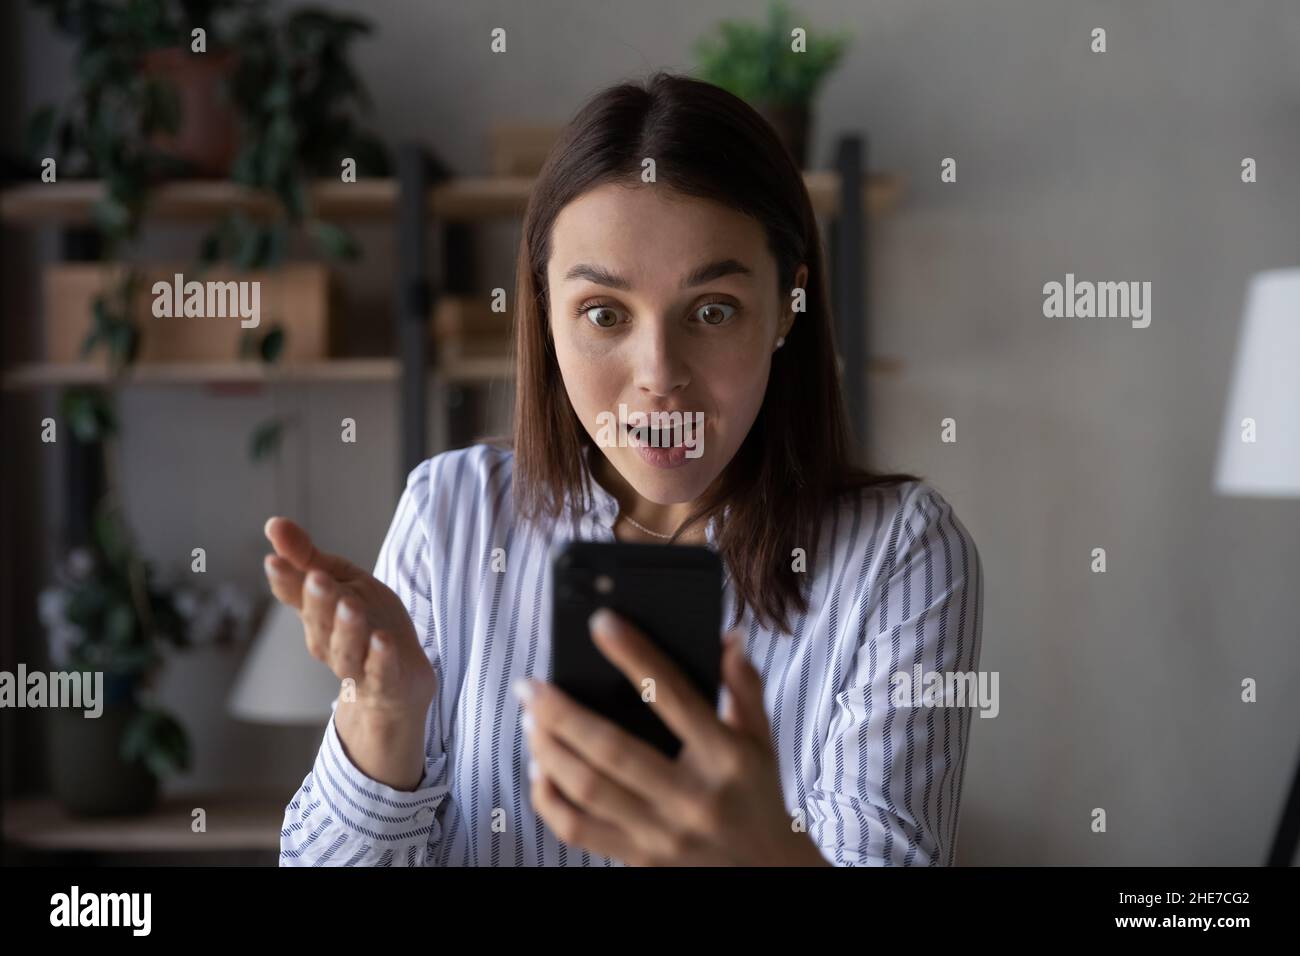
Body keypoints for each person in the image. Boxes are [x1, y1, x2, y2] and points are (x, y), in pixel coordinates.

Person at [266, 72, 983, 866]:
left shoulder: (898, 553)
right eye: (604, 314)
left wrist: (766, 855)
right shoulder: (450, 511)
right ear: (545, 311)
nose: (659, 373)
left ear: (787, 306)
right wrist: (385, 714)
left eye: (712, 311)